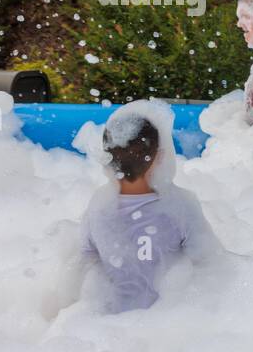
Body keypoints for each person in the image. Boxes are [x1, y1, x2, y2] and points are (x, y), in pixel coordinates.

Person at [80, 104, 211, 313]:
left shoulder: (99, 208)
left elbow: (82, 259)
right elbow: (210, 264)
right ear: (158, 157)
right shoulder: (180, 206)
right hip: (166, 321)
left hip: (110, 320)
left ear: (107, 157)